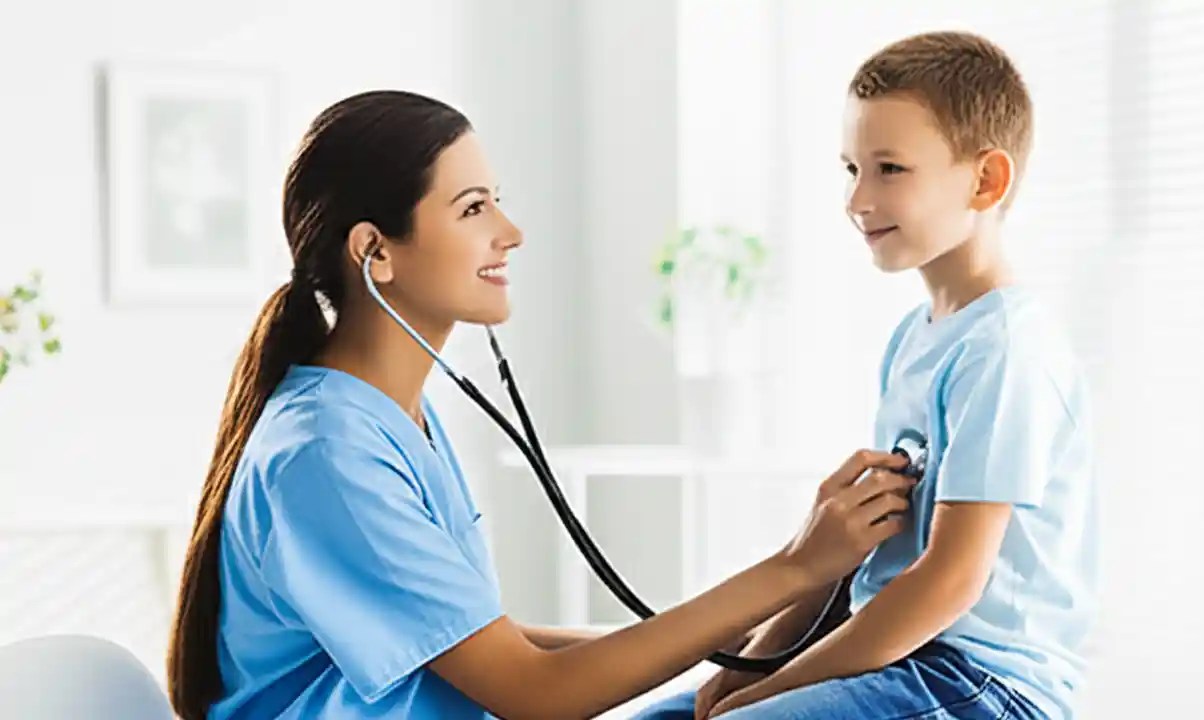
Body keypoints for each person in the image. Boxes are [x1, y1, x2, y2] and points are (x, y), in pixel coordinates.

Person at [164, 89, 920, 720]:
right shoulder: (329, 452)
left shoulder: (381, 418)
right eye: (472, 209)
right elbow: (531, 695)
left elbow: (473, 641)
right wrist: (793, 568)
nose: (511, 233)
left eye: (497, 203)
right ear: (376, 252)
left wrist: (727, 636)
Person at [635, 30, 1098, 720]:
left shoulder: (1006, 348)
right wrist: (758, 661)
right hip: (898, 659)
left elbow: (946, 584)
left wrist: (771, 691)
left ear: (985, 180)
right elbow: (861, 551)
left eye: (889, 169)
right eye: (851, 169)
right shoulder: (914, 340)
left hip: (980, 684)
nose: (857, 200)